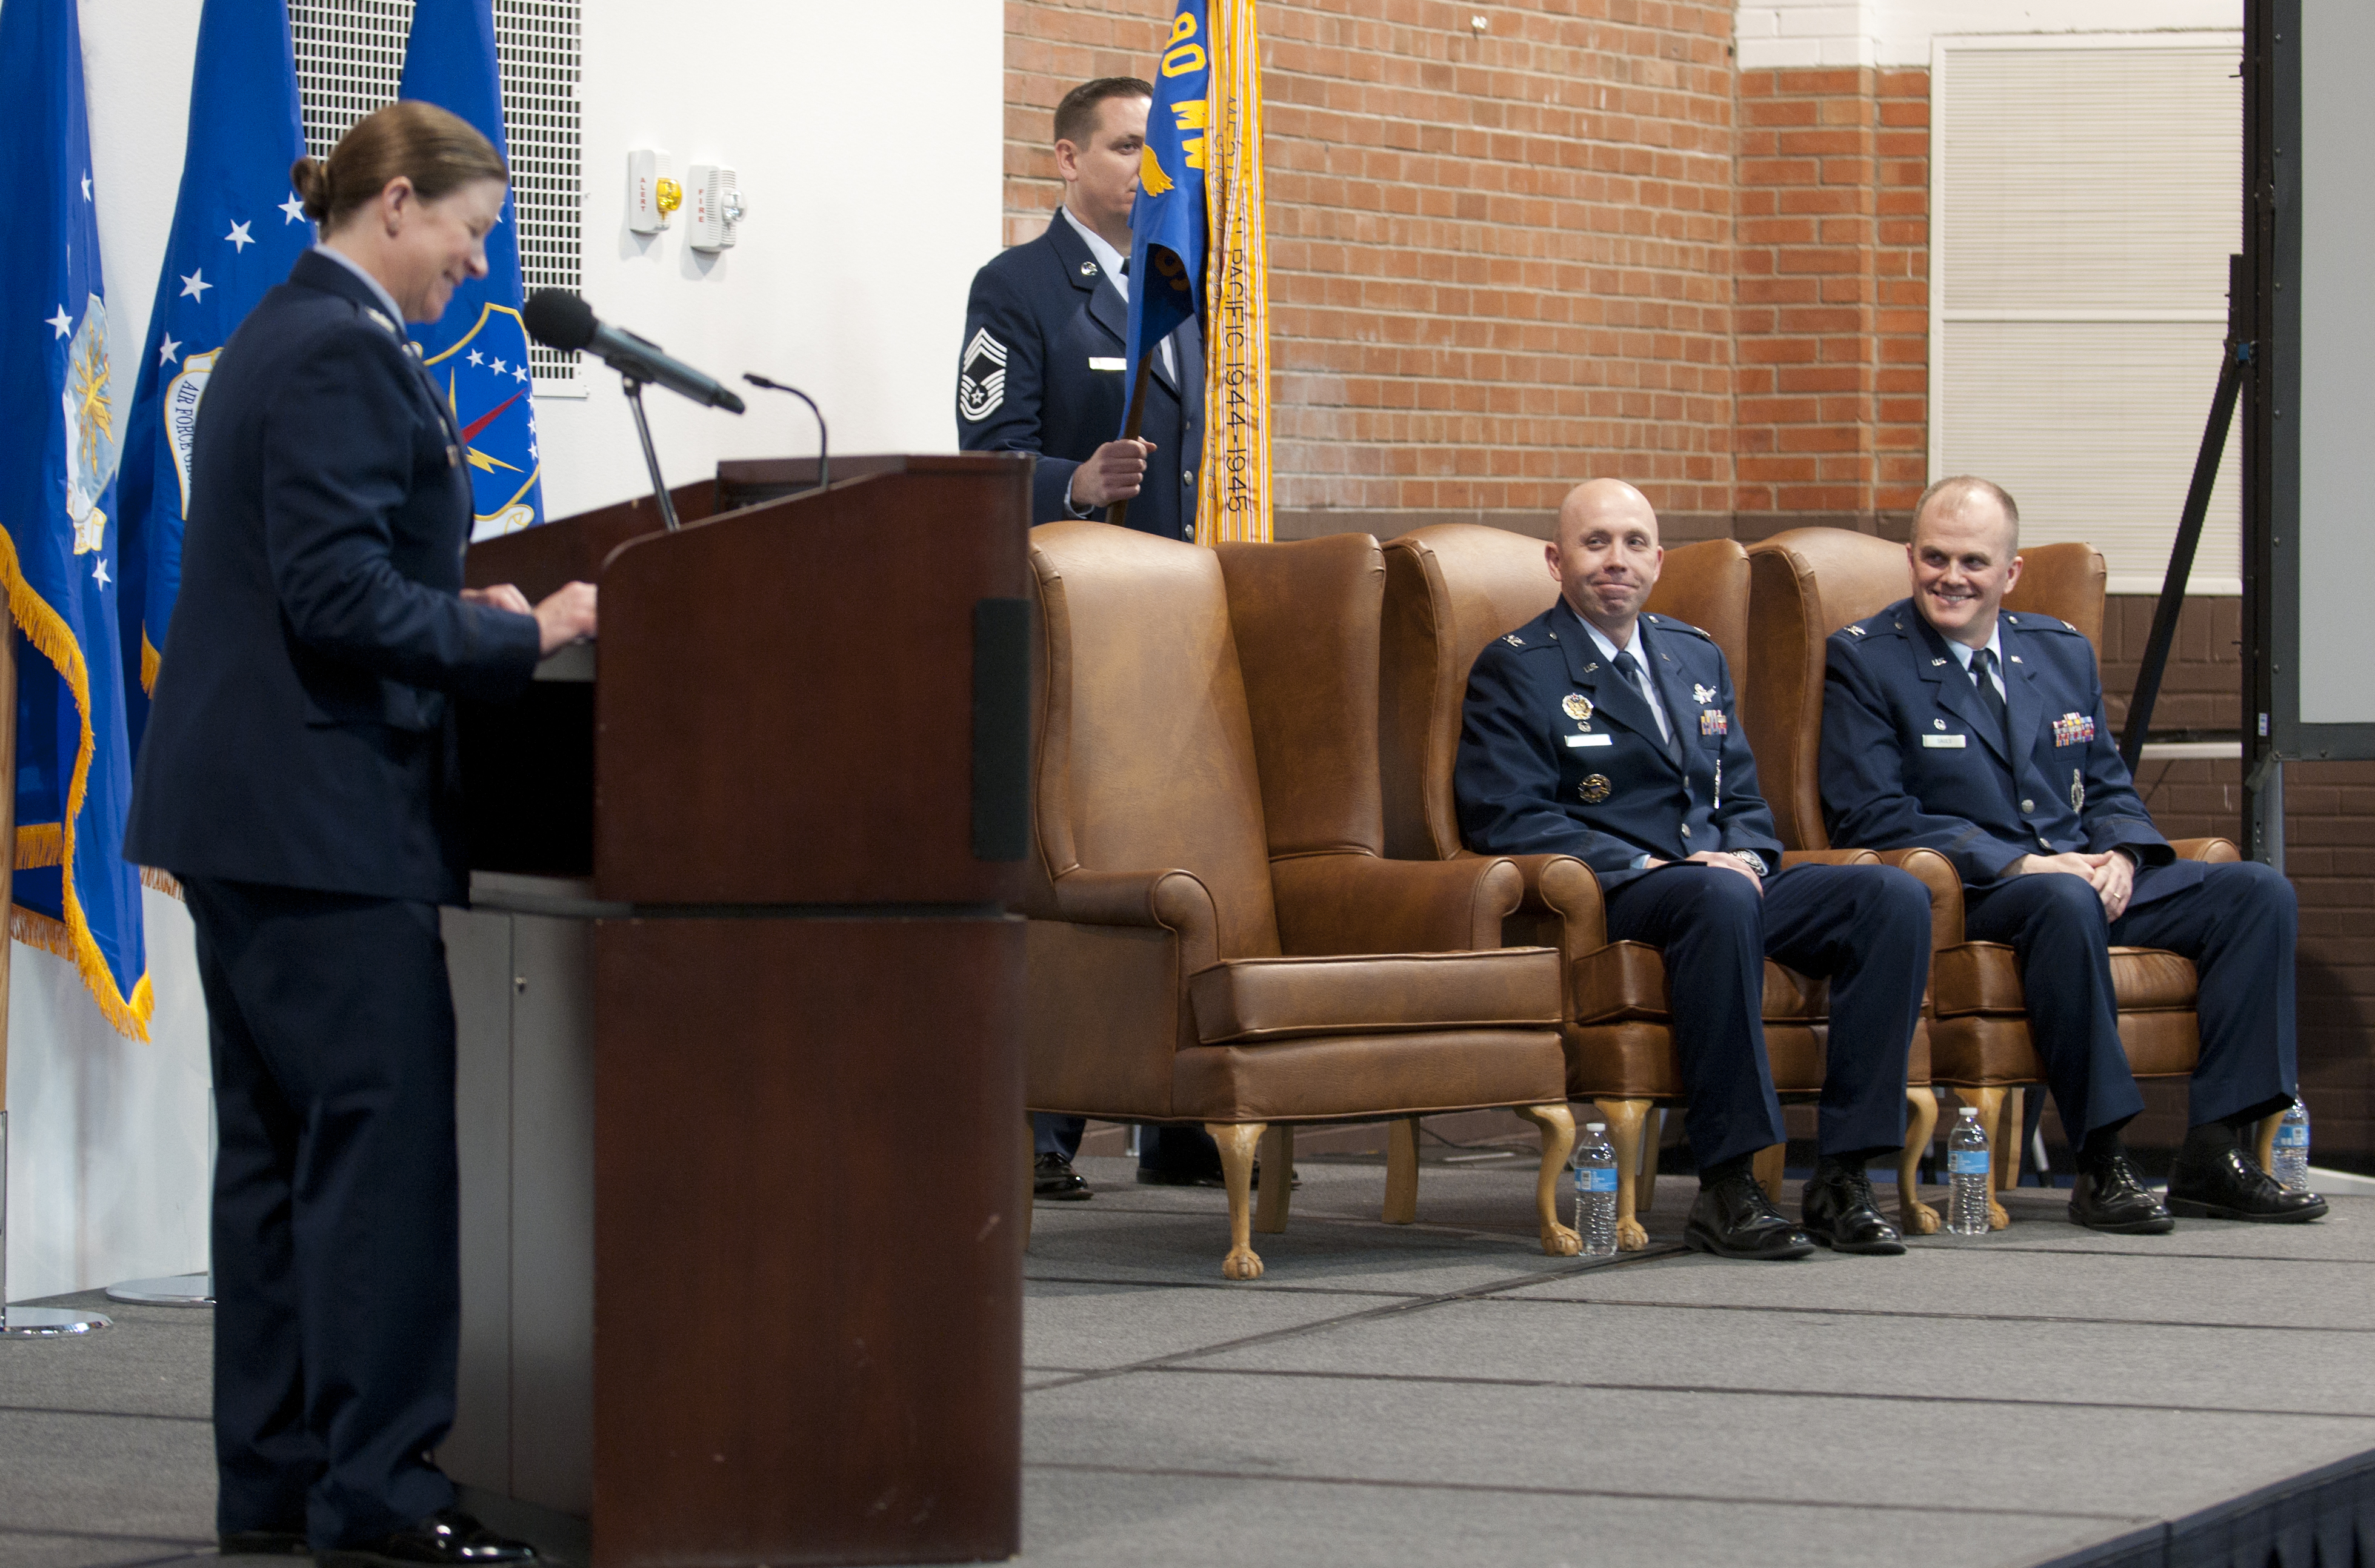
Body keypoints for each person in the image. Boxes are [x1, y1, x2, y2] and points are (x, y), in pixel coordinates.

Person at [123, 102, 599, 1566]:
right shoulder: (338, 347)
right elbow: (334, 597)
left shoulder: (283, 332)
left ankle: (277, 1482)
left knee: (276, 1164)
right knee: (375, 1166)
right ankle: (383, 1494)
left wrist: (458, 607)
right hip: (323, 814)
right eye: (467, 232)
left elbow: (317, 571)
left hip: (253, 809)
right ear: (395, 202)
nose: (476, 265)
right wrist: (526, 633)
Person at [1820, 475, 2325, 1232]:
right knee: (2061, 899)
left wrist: (2121, 854)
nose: (1951, 577)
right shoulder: (1867, 658)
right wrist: (2020, 863)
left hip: (2081, 878)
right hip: (1975, 890)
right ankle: (2101, 1158)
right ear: (1910, 556)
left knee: (2255, 893)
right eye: (1934, 557)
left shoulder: (2058, 652)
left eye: (1973, 561)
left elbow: (2109, 787)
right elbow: (1872, 812)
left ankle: (2214, 1151)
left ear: (2010, 571)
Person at [1457, 480, 1933, 1260]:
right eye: (1595, 542)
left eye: (1634, 543)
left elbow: (1740, 795)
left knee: (1891, 895)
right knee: (1714, 894)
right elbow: (1505, 816)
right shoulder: (1518, 668)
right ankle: (1729, 1185)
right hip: (1615, 891)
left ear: (1659, 560)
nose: (1617, 560)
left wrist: (1744, 855)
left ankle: (1844, 1175)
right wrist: (1649, 861)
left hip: (1718, 881)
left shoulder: (1694, 653)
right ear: (1556, 560)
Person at [958, 76, 1217, 1198]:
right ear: (1067, 158)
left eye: (1156, 152)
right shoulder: (1018, 286)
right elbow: (984, 456)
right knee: (1067, 863)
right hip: (1068, 619)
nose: (1143, 170)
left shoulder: (1179, 288)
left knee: (1174, 851)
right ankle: (1041, 1123)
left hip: (1170, 622)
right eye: (1123, 148)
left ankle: (1175, 1111)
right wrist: (1074, 481)